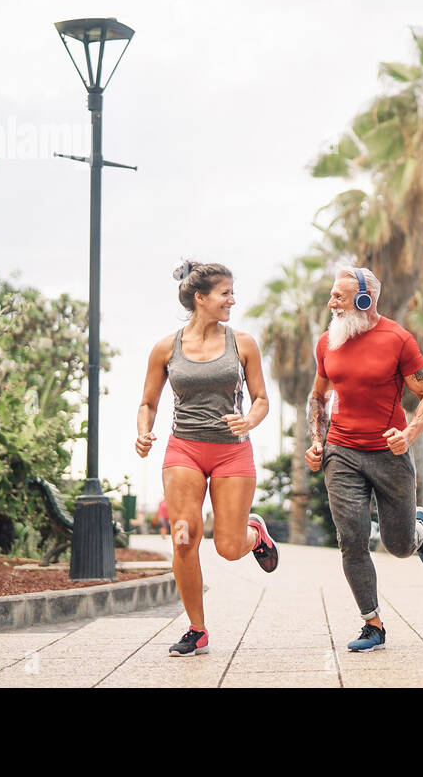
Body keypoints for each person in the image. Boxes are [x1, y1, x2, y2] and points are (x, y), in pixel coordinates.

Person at [136, 259, 278, 658]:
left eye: (232, 292)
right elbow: (147, 402)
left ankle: (254, 534)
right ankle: (197, 629)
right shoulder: (166, 348)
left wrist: (248, 419)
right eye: (225, 293)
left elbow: (262, 399)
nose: (233, 299)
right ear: (200, 298)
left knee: (229, 548)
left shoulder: (243, 343)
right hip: (185, 448)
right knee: (183, 537)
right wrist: (143, 431)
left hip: (232, 452)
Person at [305, 267, 423, 652]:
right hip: (342, 452)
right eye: (331, 295)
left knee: (397, 546)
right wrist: (317, 440)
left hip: (388, 452)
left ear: (365, 300)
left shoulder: (398, 339)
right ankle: (372, 623)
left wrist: (409, 434)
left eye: (339, 297)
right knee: (351, 539)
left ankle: (418, 529)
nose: (331, 303)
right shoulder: (327, 343)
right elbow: (318, 397)